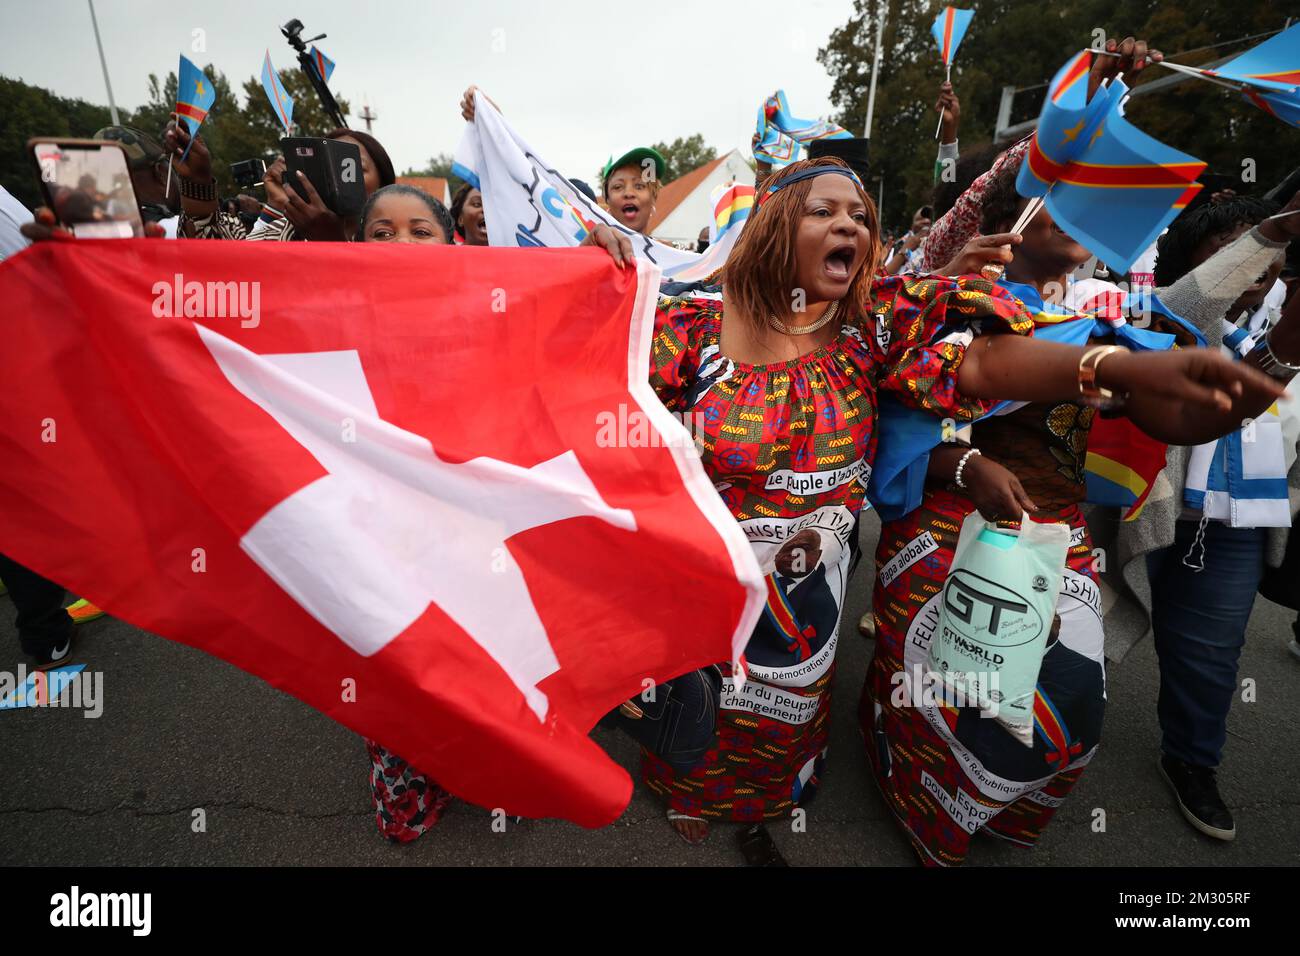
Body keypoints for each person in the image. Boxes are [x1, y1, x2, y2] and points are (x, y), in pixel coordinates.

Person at [592, 155, 1274, 854]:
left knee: (784, 709)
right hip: (704, 586)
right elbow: (575, 385)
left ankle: (773, 793)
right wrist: (594, 275)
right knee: (701, 705)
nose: (849, 226)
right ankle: (688, 789)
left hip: (810, 590)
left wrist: (1107, 366)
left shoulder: (873, 328)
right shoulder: (684, 326)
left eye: (860, 216)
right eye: (823, 211)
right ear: (768, 225)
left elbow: (978, 366)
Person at [859, 135, 1291, 866]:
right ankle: (922, 807)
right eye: (1050, 193)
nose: (1072, 209)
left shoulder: (1109, 317)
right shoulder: (946, 300)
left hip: (1056, 538)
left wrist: (1238, 395)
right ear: (1007, 217)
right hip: (942, 539)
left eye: (1083, 197)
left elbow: (1175, 412)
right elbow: (984, 366)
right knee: (944, 701)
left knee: (1067, 705)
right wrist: (966, 466)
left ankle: (1001, 805)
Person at [1093, 192, 1300, 842]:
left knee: (1210, 658)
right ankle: (1046, 733)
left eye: (1269, 265)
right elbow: (1193, 300)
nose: (1256, 277)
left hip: (1237, 524)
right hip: (1145, 505)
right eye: (1236, 257)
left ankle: (1191, 759)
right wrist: (1271, 231)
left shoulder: (1286, 322)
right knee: (1088, 625)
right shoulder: (1169, 317)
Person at [351, 183, 458, 841]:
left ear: (454, 247)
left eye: (421, 230)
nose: (402, 245)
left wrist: (596, 263)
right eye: (381, 232)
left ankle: (481, 768)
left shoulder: (495, 316)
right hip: (372, 541)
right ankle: (406, 792)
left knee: (463, 665)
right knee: (395, 671)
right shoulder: (322, 317)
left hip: (465, 542)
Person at [164, 123, 396, 242]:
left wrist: (331, 242)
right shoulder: (284, 234)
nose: (336, 177)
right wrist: (198, 179)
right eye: (326, 166)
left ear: (383, 188)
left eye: (353, 166)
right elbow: (212, 265)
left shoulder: (397, 240)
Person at [601, 147, 665, 236]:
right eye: (618, 187)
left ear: (653, 196)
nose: (629, 193)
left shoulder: (675, 249)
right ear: (607, 198)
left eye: (639, 186)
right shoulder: (588, 248)